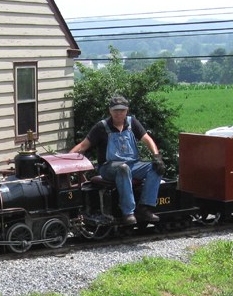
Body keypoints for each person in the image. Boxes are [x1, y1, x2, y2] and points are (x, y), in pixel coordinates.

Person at [70, 95, 163, 225]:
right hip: (109, 167)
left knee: (156, 168)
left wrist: (156, 156)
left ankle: (144, 207)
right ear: (110, 111)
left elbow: (147, 139)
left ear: (127, 110)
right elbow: (83, 145)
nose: (119, 113)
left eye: (122, 110)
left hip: (133, 165)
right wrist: (68, 158)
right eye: (116, 110)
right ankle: (128, 212)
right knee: (123, 168)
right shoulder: (101, 127)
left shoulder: (132, 123)